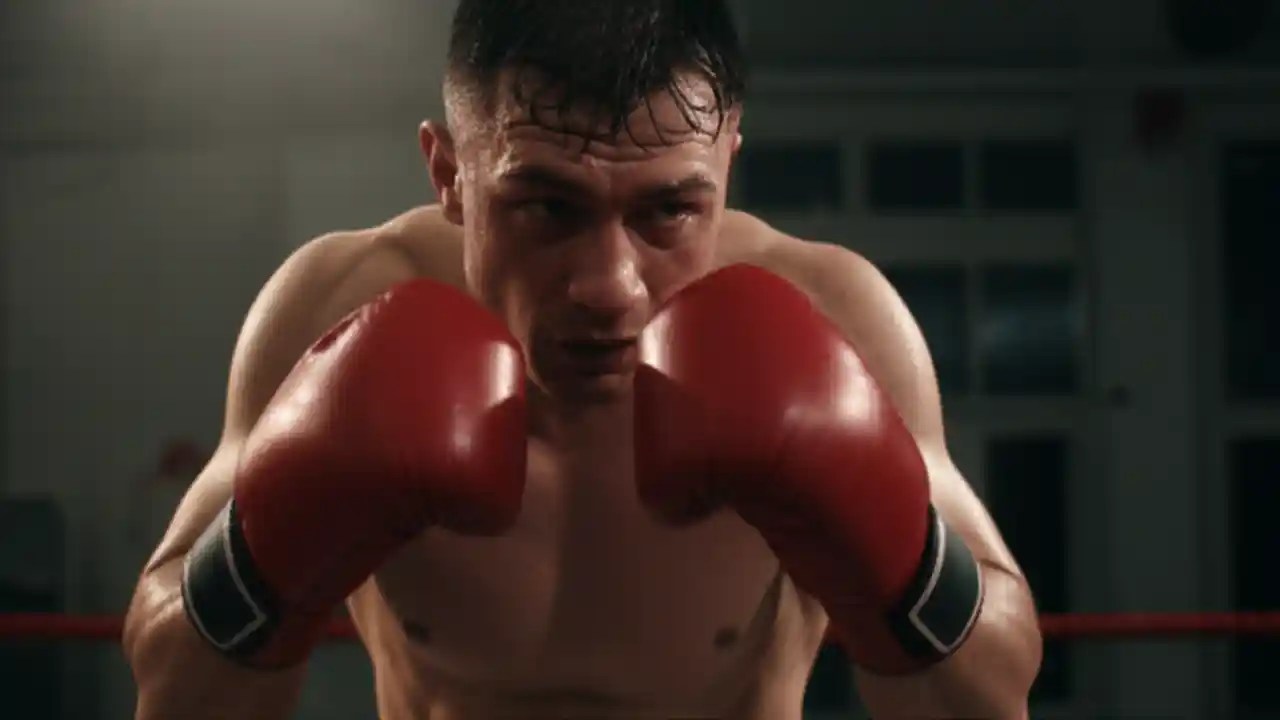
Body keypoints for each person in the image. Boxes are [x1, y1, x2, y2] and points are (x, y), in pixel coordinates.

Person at [123, 2, 1042, 718]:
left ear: (727, 161)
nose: (611, 285)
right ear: (449, 174)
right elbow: (172, 687)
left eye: (668, 211)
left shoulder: (835, 315)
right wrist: (273, 544)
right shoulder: (338, 302)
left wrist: (892, 550)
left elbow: (993, 693)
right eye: (549, 209)